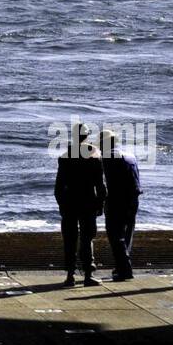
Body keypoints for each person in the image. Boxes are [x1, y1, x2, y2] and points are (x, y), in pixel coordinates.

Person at [54, 123, 106, 287]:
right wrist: (100, 205)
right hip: (88, 202)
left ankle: (70, 275)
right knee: (87, 238)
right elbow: (100, 186)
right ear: (87, 136)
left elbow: (58, 187)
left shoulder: (64, 157)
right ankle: (88, 275)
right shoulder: (94, 157)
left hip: (69, 203)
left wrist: (62, 204)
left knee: (69, 239)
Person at [99, 129, 142, 281]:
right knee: (127, 233)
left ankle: (125, 269)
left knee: (115, 235)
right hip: (133, 199)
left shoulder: (107, 158)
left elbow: (103, 183)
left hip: (117, 200)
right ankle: (121, 266)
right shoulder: (131, 156)